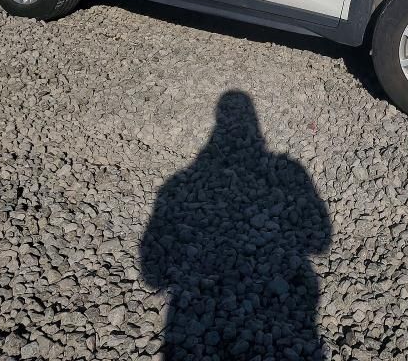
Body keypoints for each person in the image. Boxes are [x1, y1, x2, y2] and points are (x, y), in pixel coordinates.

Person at [140, 91, 332, 360]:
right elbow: (321, 241)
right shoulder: (289, 169)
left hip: (184, 325)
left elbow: (151, 274)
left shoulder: (176, 185)